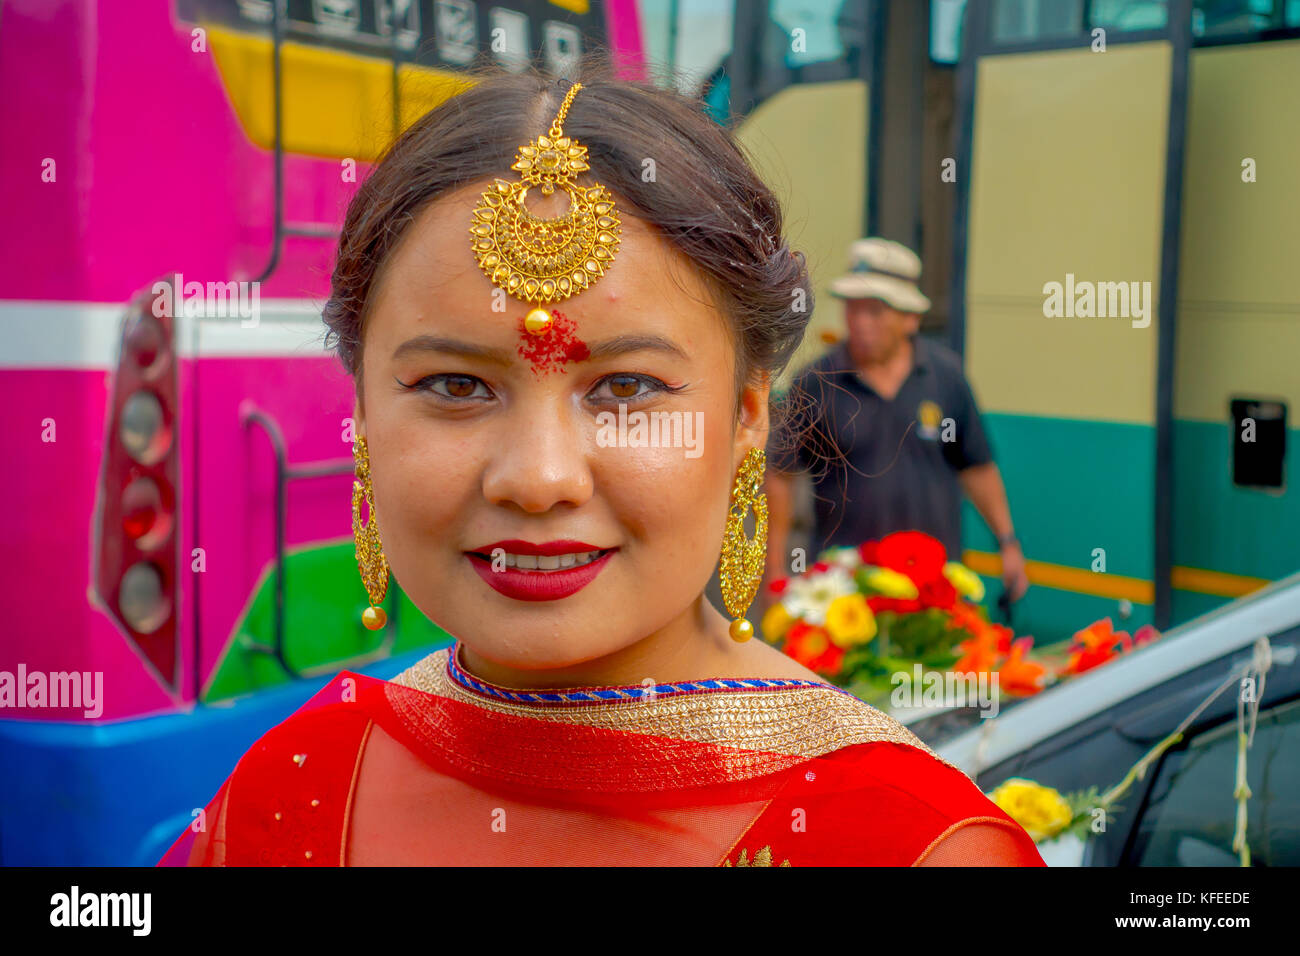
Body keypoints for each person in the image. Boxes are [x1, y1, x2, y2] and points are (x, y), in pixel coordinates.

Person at [158, 65, 1043, 866]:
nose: (540, 479)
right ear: (361, 415)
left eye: (626, 386)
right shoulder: (295, 787)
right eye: (457, 384)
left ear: (745, 415)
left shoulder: (908, 845)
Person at [765, 238, 1029, 604]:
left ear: (910, 318)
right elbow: (781, 472)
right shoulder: (816, 381)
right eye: (853, 308)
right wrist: (775, 566)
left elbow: (976, 467)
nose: (859, 322)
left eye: (875, 311)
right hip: (844, 591)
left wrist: (1007, 542)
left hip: (932, 584)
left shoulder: (945, 377)